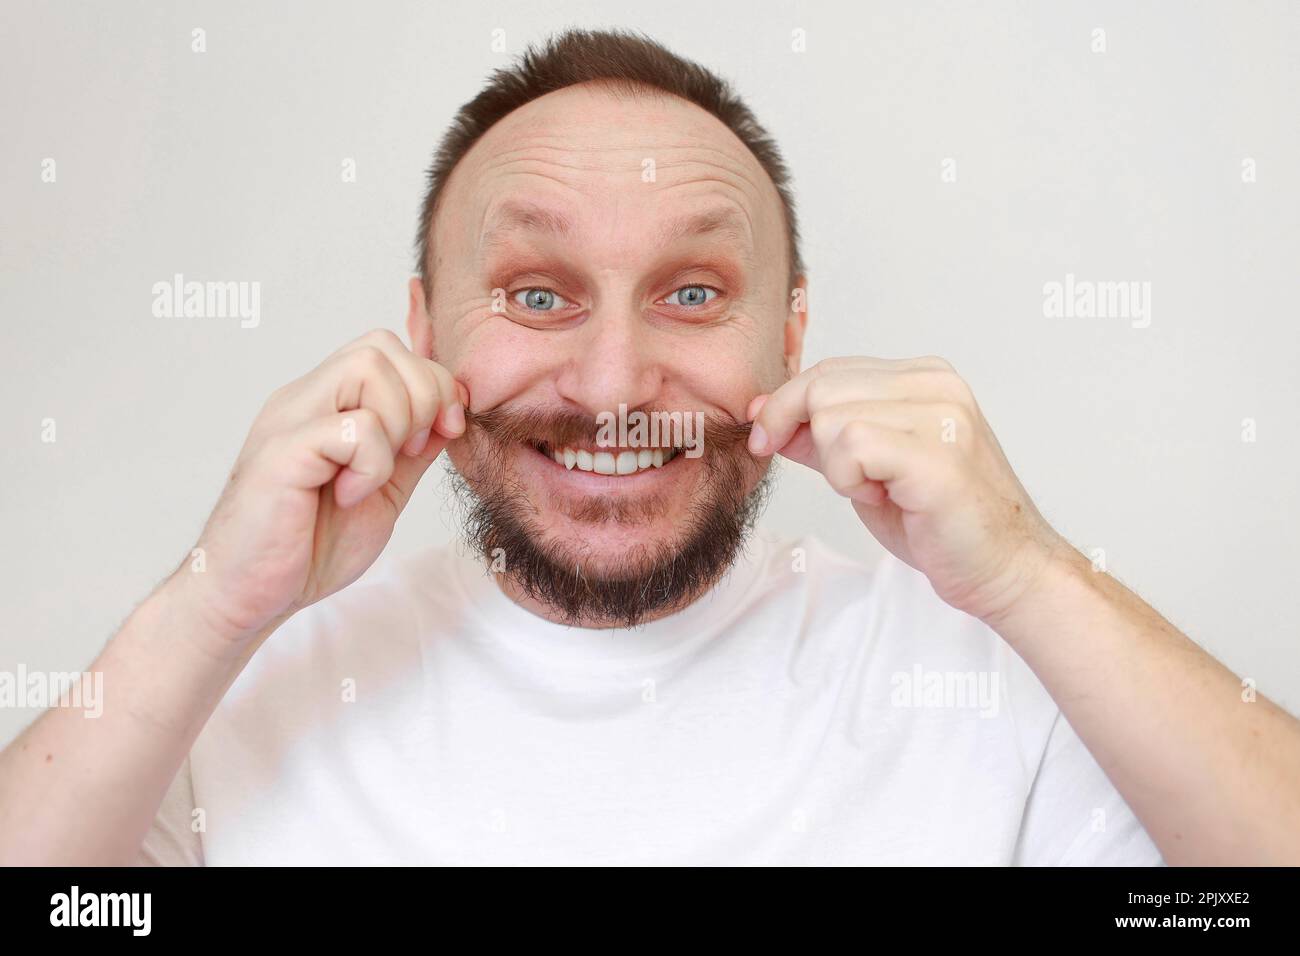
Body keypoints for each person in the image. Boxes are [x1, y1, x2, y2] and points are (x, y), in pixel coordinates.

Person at [2, 29, 1298, 866]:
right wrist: (215, 602)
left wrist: (1027, 573)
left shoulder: (982, 681)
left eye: (691, 293)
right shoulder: (239, 689)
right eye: (536, 292)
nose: (614, 383)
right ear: (420, 332)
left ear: (790, 341)